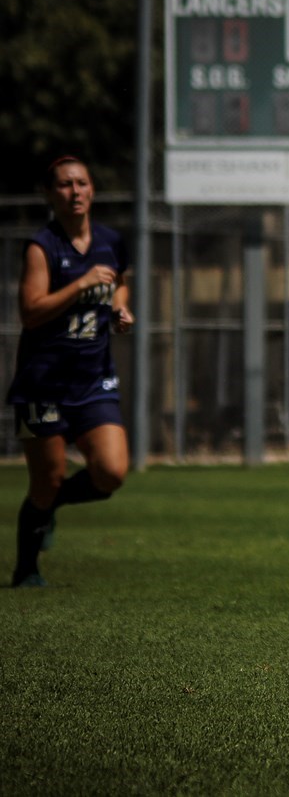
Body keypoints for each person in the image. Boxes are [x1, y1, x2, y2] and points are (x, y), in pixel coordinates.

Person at [9, 157, 134, 587]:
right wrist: (79, 285)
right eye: (64, 185)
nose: (75, 191)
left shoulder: (112, 241)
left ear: (93, 189)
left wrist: (119, 309)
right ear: (49, 194)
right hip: (41, 384)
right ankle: (26, 569)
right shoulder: (42, 247)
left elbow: (119, 282)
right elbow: (30, 313)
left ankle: (48, 510)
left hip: (94, 379)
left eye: (82, 183)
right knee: (47, 480)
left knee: (112, 472)